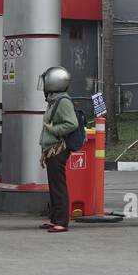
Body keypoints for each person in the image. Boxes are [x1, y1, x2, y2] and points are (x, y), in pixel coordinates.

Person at [37, 66, 79, 233]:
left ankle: (61, 221)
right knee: (54, 186)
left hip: (58, 150)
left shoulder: (63, 102)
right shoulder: (54, 100)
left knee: (58, 186)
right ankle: (55, 219)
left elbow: (72, 123)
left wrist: (54, 130)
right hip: (51, 150)